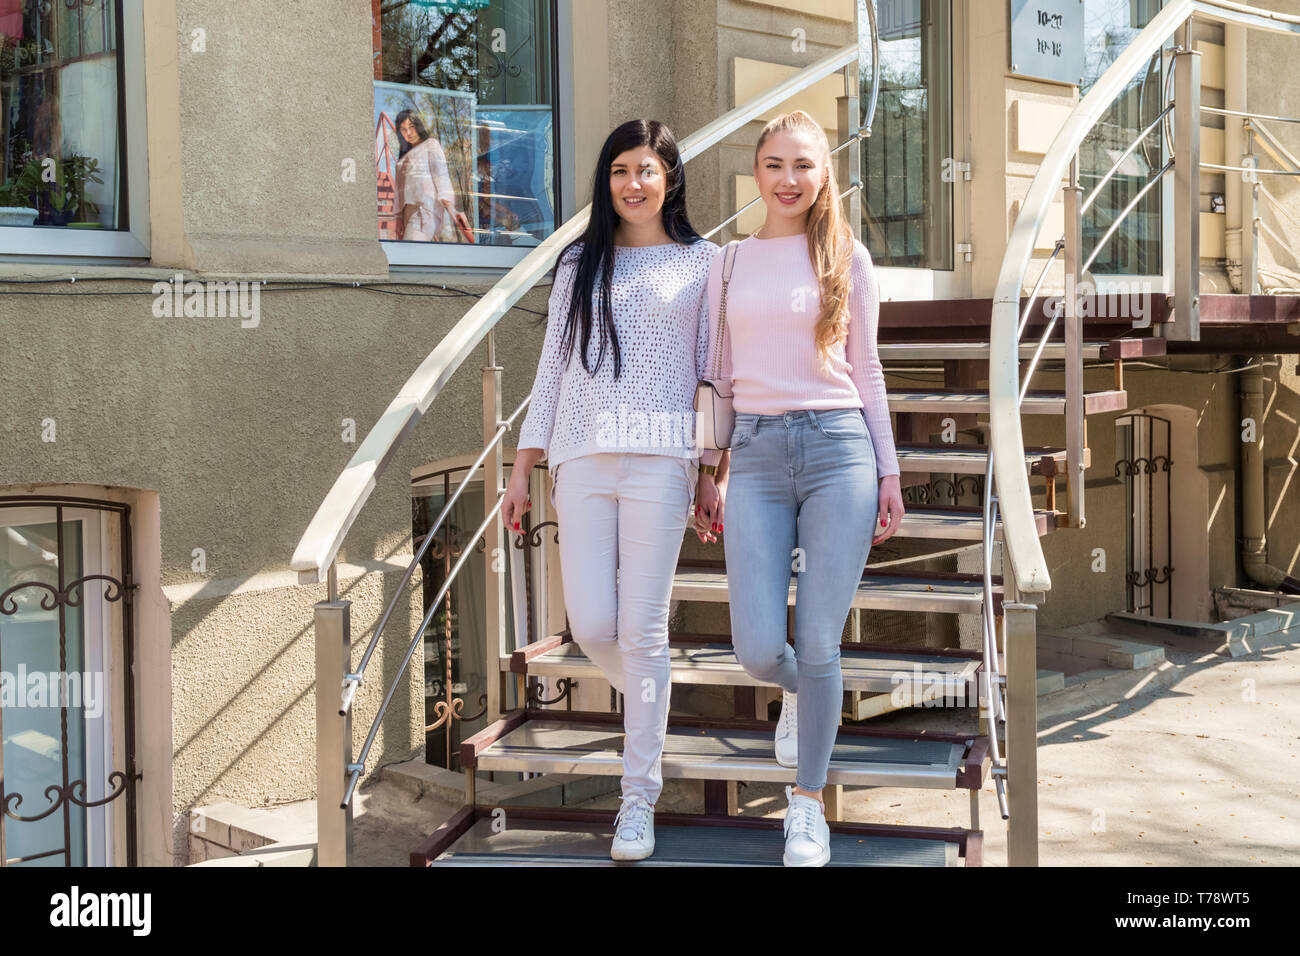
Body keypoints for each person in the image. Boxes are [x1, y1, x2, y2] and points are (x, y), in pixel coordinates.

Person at [502, 119, 718, 862]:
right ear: (608, 179)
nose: (633, 183)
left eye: (647, 170)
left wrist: (710, 469)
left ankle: (638, 798)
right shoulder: (579, 262)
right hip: (580, 458)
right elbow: (551, 369)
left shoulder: (704, 263)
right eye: (621, 169)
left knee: (643, 630)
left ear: (670, 179)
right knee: (593, 624)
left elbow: (709, 373)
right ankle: (654, 713)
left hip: (662, 460)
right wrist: (522, 468)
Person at [695, 109, 904, 867]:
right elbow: (717, 375)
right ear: (757, 172)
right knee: (758, 648)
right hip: (751, 454)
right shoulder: (727, 264)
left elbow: (869, 371)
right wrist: (709, 469)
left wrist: (889, 468)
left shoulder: (849, 257)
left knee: (818, 638)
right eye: (776, 164)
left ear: (825, 176)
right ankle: (801, 694)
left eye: (804, 165)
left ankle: (807, 805)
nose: (789, 180)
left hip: (838, 451)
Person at [393, 109, 472, 242]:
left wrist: (452, 210)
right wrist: (399, 218)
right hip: (408, 214)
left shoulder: (430, 145)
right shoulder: (402, 158)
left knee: (411, 254)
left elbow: (441, 175)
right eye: (403, 129)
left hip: (424, 210)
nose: (408, 133)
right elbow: (399, 190)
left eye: (411, 127)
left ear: (418, 126)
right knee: (412, 256)